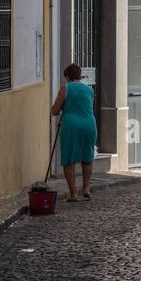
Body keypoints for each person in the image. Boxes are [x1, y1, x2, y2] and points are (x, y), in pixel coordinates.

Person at [51, 63, 97, 202]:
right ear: (79, 75)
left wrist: (58, 108)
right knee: (87, 158)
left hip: (71, 126)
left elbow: (55, 110)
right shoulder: (89, 90)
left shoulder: (65, 88)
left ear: (67, 77)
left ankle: (73, 193)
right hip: (89, 124)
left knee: (69, 160)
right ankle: (86, 188)